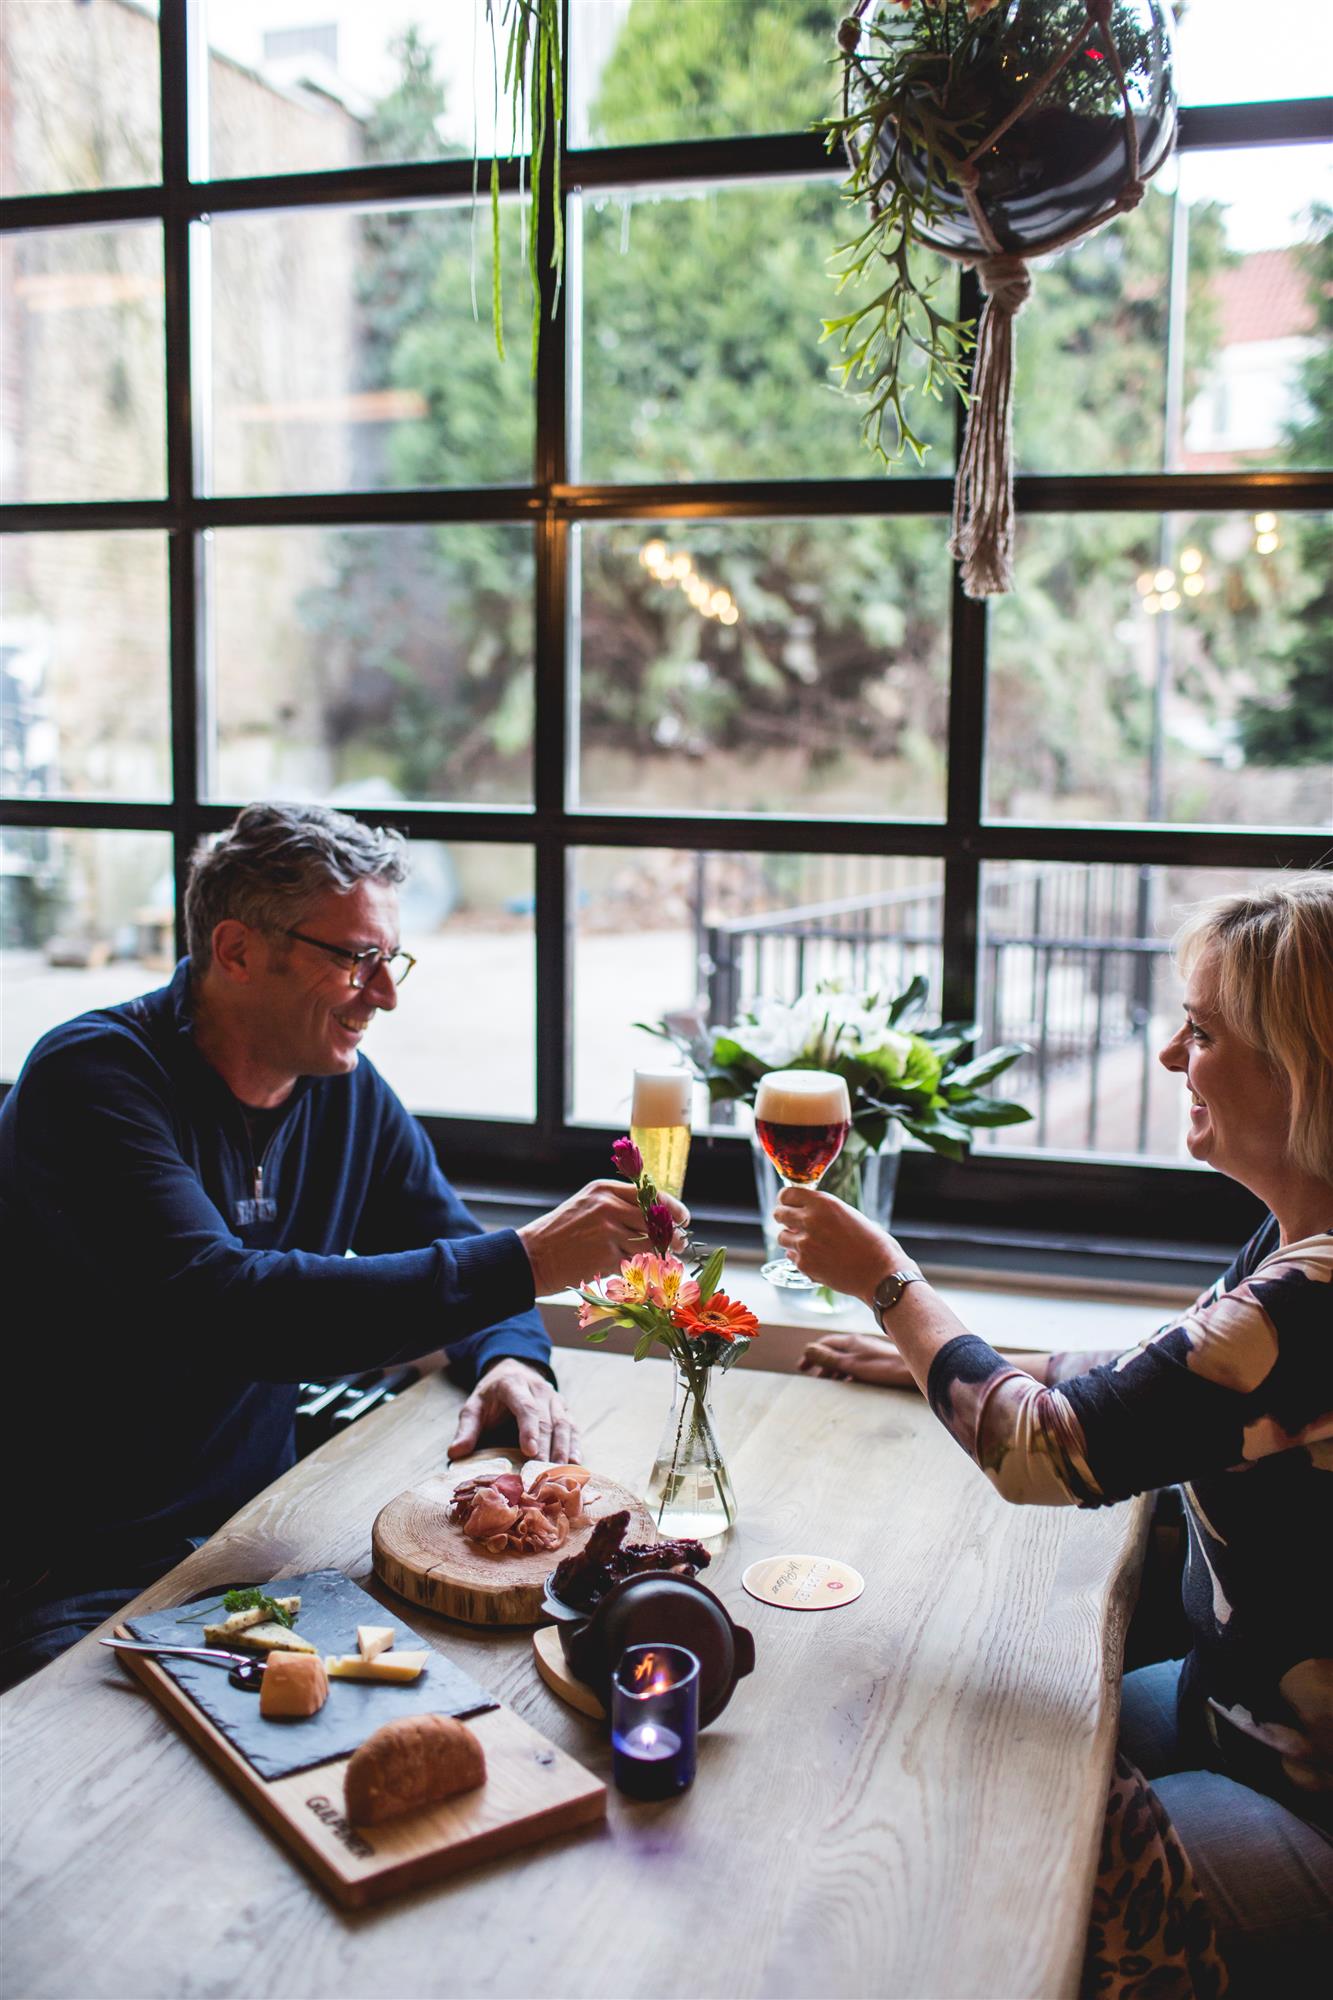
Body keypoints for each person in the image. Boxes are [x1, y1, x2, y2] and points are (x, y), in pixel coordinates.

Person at [775, 875, 1332, 1993]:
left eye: (1202, 1029)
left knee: (968, 1872)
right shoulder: (1297, 1242)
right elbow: (1169, 1382)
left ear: (1303, 1067)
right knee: (958, 1718)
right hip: (1224, 1712)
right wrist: (968, 1360)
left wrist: (890, 1284)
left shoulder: (1316, 1293)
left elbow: (1046, 1452)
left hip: (1300, 1789)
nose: (1174, 1056)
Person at [0, 803, 683, 1688]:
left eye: (390, 959)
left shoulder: (340, 1088)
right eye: (357, 959)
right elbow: (229, 1305)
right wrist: (529, 1258)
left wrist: (511, 1358)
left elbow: (450, 1243)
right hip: (73, 1568)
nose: (387, 993)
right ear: (238, 951)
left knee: (497, 1694)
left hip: (257, 1531)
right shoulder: (90, 1081)